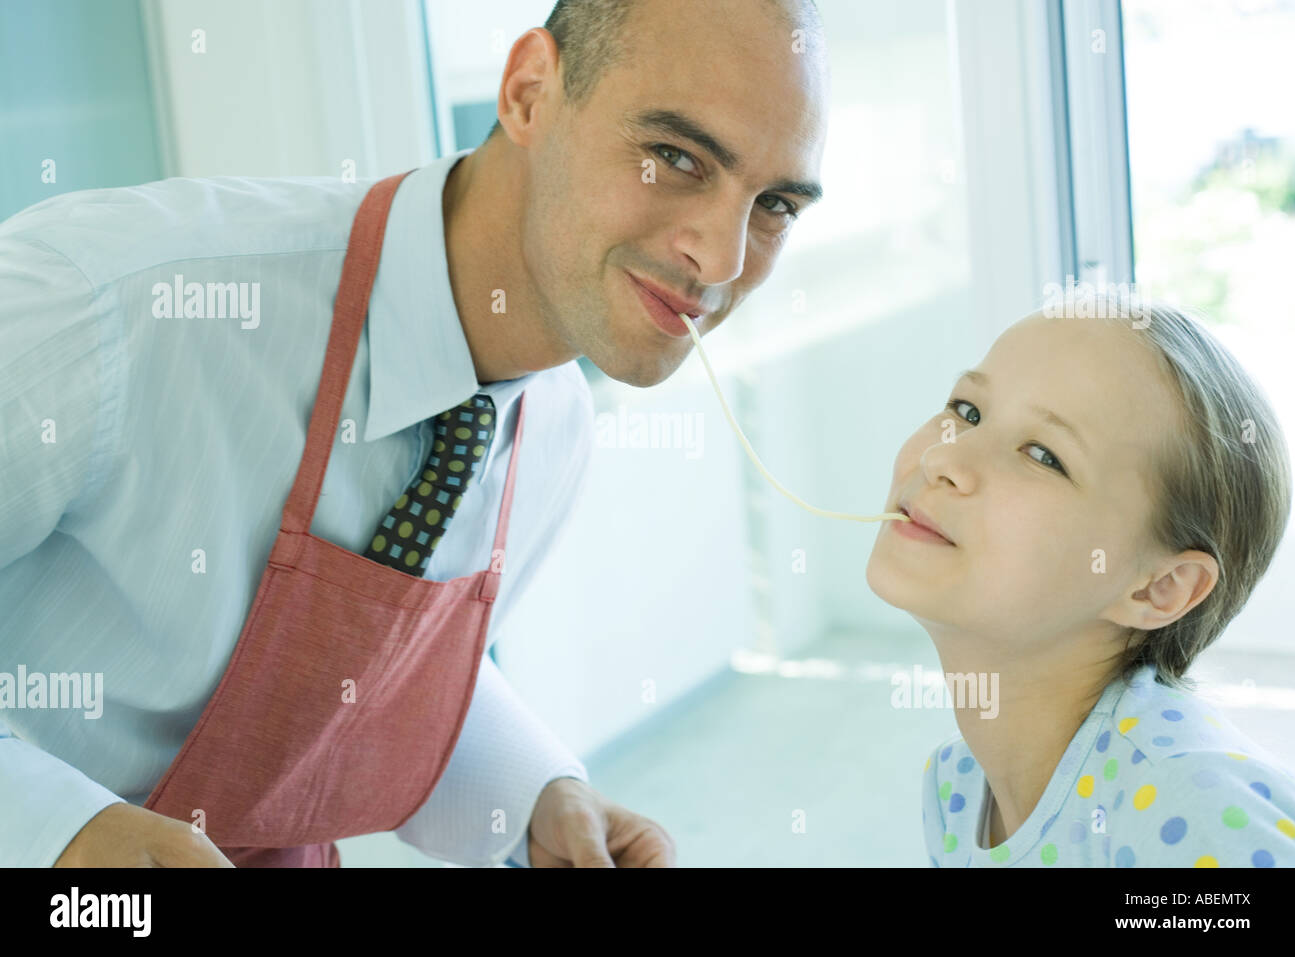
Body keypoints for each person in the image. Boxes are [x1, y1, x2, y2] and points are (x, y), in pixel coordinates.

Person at [0, 0, 830, 867]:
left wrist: (534, 796)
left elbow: (346, 678)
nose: (724, 259)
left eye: (774, 204)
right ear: (529, 92)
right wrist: (56, 833)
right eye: (676, 157)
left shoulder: (552, 431)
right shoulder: (116, 302)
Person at [865, 300, 1295, 867]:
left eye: (1044, 455)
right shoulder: (956, 785)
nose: (946, 456)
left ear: (1159, 587)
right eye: (967, 410)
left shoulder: (1196, 809)